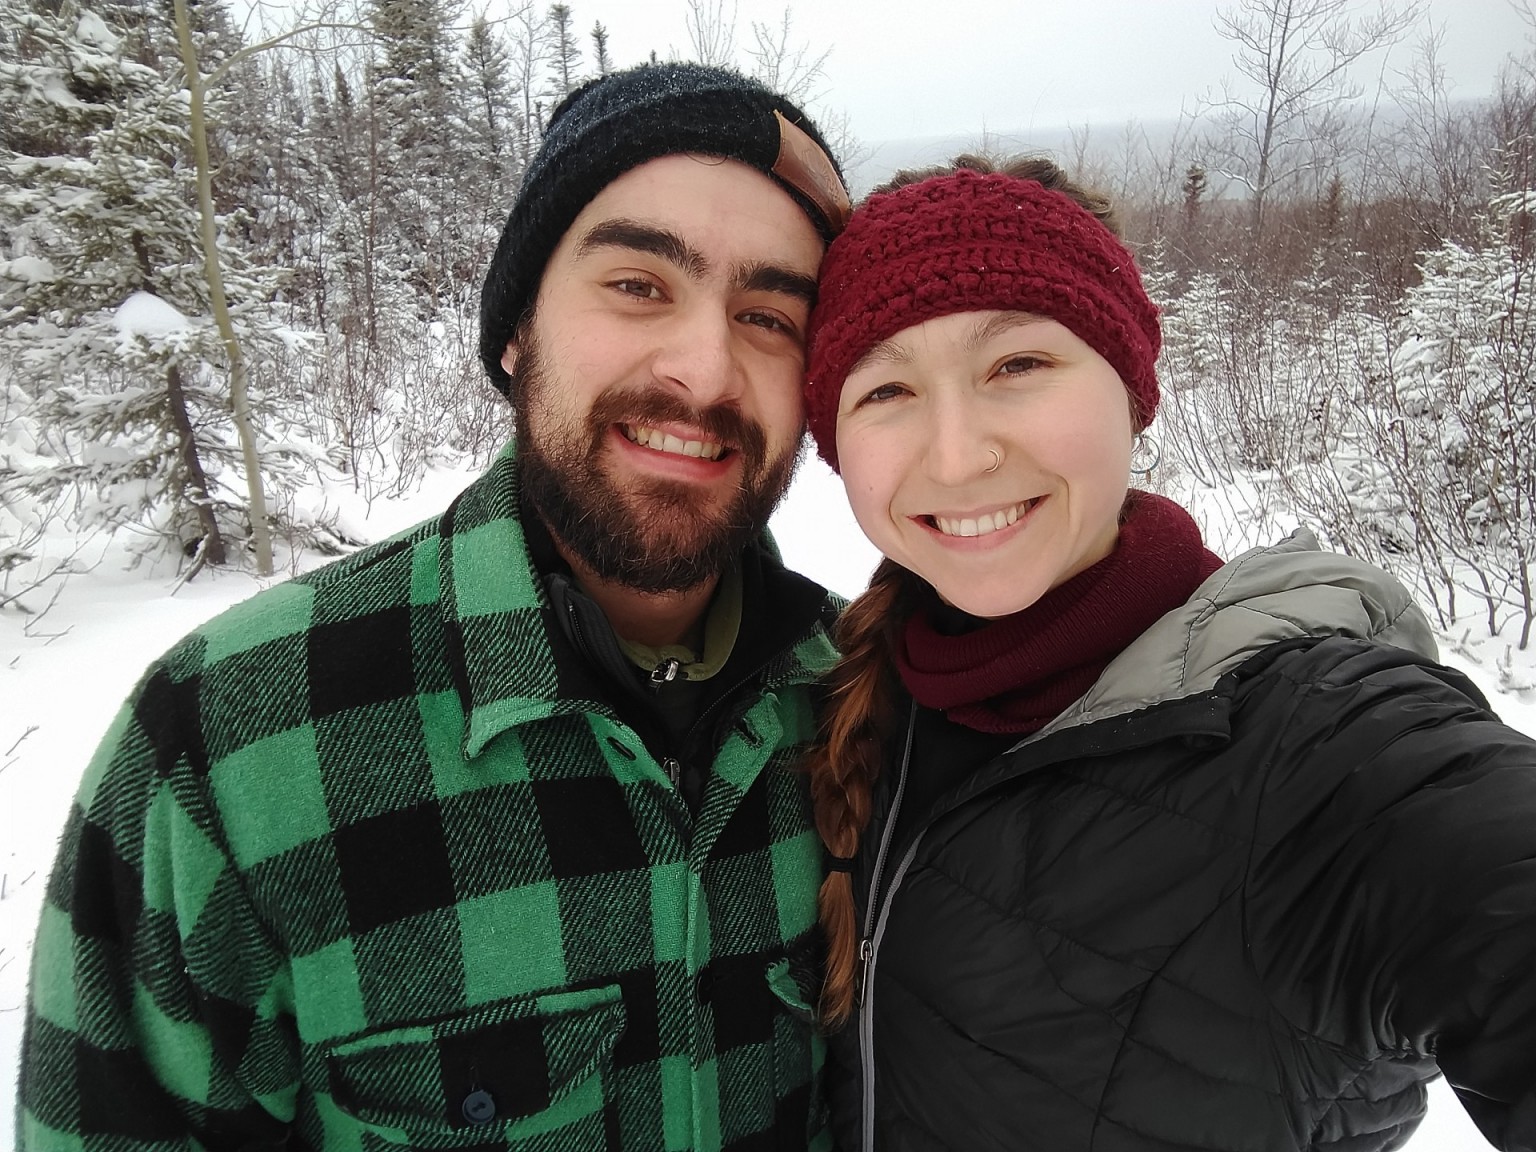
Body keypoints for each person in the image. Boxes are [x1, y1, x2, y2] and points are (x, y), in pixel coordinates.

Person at [17, 63, 852, 1151]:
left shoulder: (863, 705)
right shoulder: (231, 742)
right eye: (639, 285)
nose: (705, 370)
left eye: (768, 316)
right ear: (516, 333)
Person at [799, 156, 1536, 1152]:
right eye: (886, 388)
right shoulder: (850, 701)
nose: (958, 452)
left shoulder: (1313, 744)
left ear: (1132, 390)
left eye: (1017, 364)